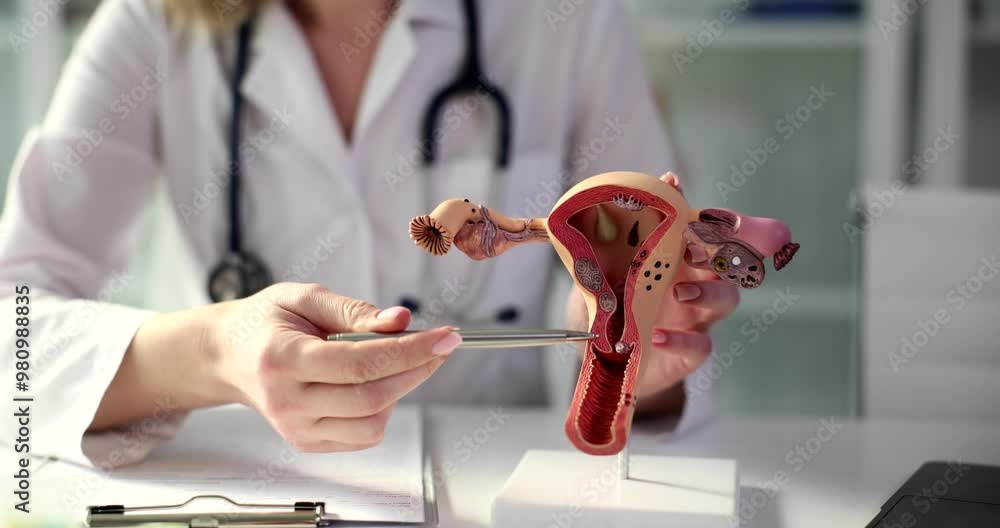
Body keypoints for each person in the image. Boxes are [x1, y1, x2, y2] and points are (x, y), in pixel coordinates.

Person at [0, 0, 738, 467]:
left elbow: (654, 296)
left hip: (506, 482)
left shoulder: (567, 18)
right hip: (243, 484)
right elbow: (14, 334)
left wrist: (626, 347)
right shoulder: (148, 22)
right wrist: (214, 353)